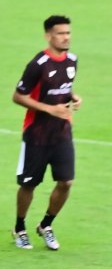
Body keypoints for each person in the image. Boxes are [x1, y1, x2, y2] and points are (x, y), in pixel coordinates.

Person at [12, 16, 80, 250]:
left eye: (68, 33)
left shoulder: (72, 60)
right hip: (36, 135)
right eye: (61, 33)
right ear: (48, 36)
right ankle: (19, 227)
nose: (66, 37)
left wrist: (73, 97)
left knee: (66, 182)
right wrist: (50, 109)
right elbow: (18, 96)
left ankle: (46, 225)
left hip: (62, 133)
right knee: (29, 184)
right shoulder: (38, 64)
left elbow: (64, 87)